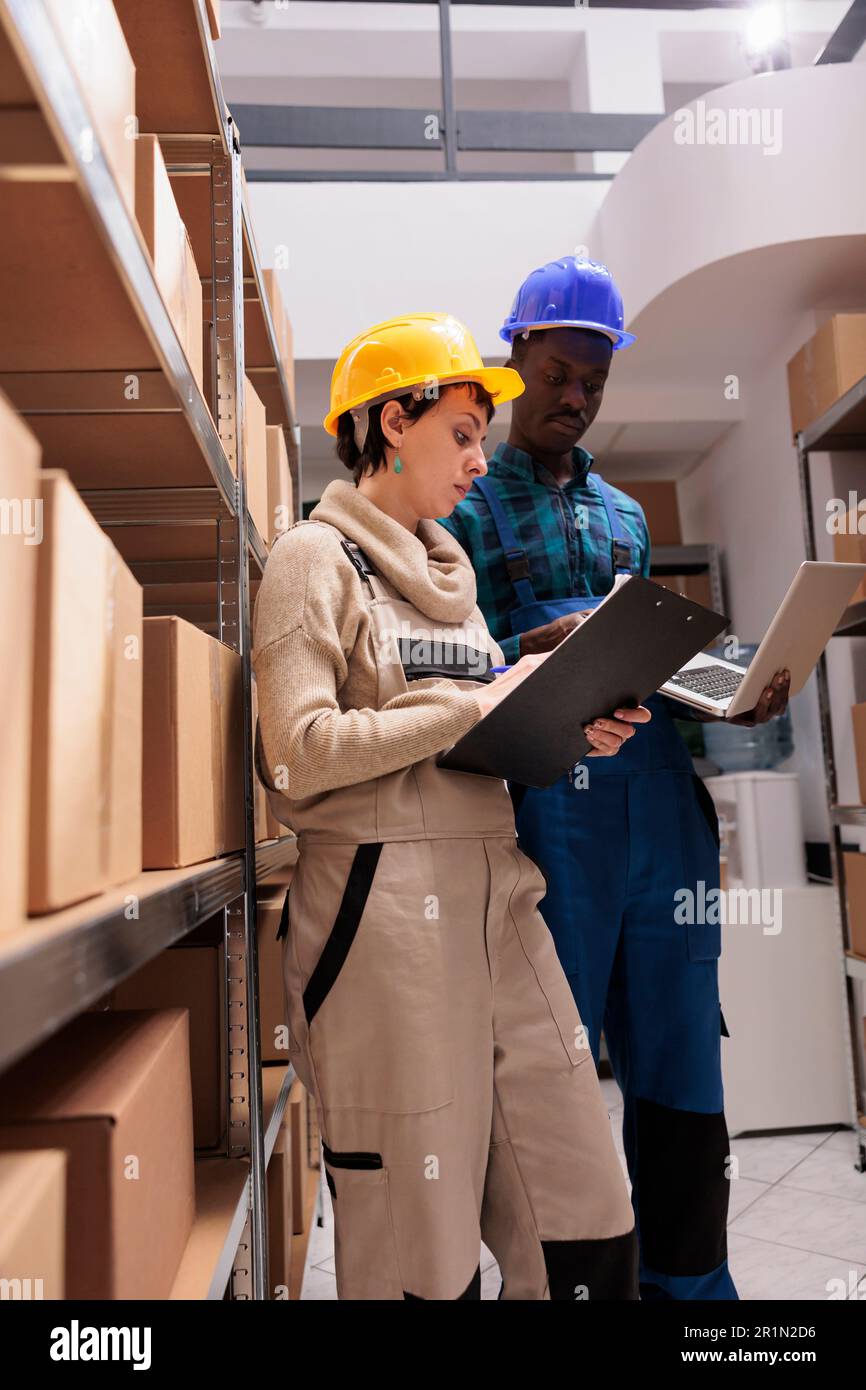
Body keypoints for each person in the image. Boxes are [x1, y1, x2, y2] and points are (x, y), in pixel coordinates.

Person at [251, 311, 651, 1301]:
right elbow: (294, 754)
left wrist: (559, 721)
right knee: (417, 1247)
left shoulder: (456, 592)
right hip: (382, 922)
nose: (481, 461)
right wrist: (472, 701)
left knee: (580, 1203)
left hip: (499, 901)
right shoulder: (311, 559)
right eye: (462, 434)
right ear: (394, 422)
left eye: (481, 438)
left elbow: (466, 745)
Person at [441, 259, 790, 1302]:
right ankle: (564, 1286)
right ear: (514, 363)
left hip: (657, 810)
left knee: (681, 1049)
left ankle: (689, 1284)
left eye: (593, 379)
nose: (575, 396)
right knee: (549, 1064)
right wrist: (524, 646)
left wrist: (732, 689)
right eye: (556, 371)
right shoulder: (461, 507)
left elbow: (649, 659)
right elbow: (442, 664)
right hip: (543, 812)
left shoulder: (625, 515)